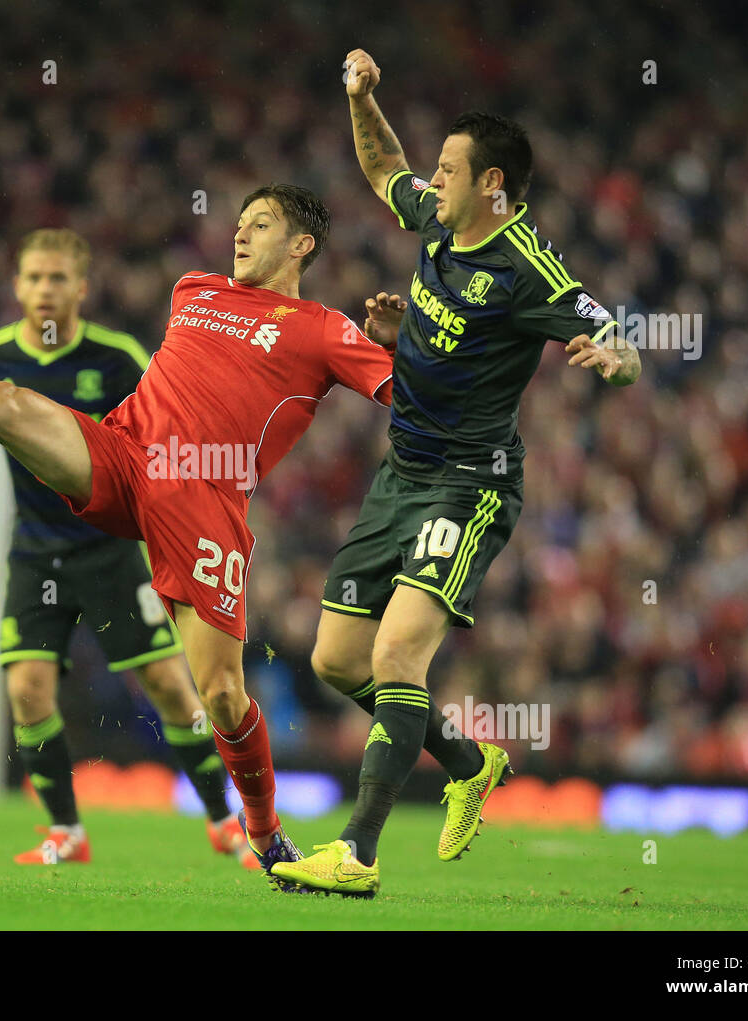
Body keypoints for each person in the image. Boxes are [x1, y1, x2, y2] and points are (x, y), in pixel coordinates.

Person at [0, 184, 397, 888]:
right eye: (239, 223)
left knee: (221, 695)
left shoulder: (322, 328)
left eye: (260, 226)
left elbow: (409, 396)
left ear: (302, 245)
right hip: (122, 456)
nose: (239, 235)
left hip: (203, 498)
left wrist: (391, 344)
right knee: (10, 405)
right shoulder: (194, 289)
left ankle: (264, 834)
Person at [271, 50, 642, 897]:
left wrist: (609, 358)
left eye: (449, 170)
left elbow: (621, 344)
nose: (431, 181)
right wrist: (362, 96)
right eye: (436, 167)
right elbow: (381, 165)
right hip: (401, 472)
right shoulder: (440, 221)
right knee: (335, 659)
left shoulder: (525, 266)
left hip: (470, 484)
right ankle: (469, 765)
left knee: (399, 650)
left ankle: (356, 853)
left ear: (494, 185)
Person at [0, 228, 256, 868]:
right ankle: (66, 832)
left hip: (109, 549)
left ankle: (224, 819)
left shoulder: (117, 359)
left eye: (57, 278)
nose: (45, 289)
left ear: (82, 287)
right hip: (35, 549)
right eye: (34, 278)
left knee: (165, 682)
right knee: (27, 688)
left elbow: (156, 440)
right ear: (16, 286)